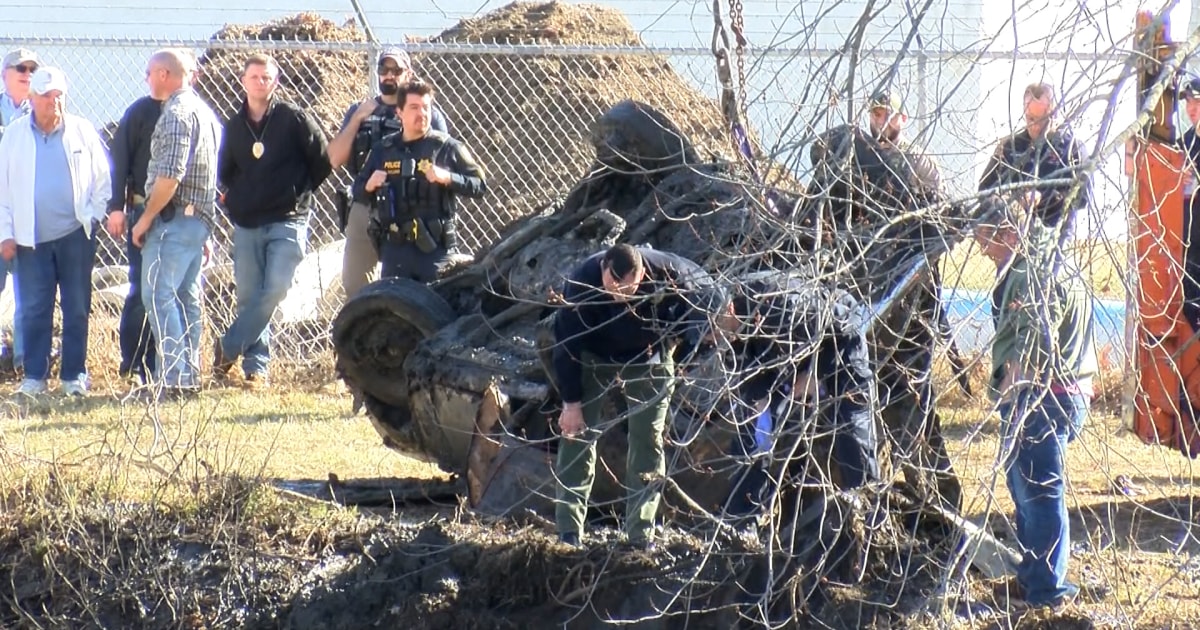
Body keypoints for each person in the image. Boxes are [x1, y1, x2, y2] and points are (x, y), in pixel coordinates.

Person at [550, 244, 720, 549]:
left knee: (648, 440)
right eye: (615, 286)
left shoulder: (671, 273)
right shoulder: (580, 284)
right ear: (604, 267)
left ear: (642, 273)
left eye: (632, 287)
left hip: (648, 356)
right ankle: (568, 532)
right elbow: (565, 347)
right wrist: (571, 403)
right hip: (593, 354)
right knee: (576, 435)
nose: (623, 296)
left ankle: (640, 534)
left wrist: (686, 356)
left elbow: (716, 301)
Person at [974, 198, 1096, 610]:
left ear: (1009, 232)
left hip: (1042, 396)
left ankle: (1046, 593)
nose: (982, 252)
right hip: (1068, 391)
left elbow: (1036, 334)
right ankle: (1033, 576)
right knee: (1025, 487)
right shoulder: (1050, 255)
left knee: (1039, 493)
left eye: (986, 242)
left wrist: (1013, 382)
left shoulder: (1031, 271)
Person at [717, 275, 880, 520]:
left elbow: (847, 321)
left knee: (852, 429)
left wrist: (815, 373)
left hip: (839, 344)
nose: (717, 338)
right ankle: (741, 519)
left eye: (718, 330)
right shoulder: (728, 323)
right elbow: (745, 363)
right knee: (754, 430)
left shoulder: (786, 307)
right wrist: (757, 398)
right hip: (785, 352)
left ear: (730, 310)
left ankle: (869, 511)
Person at [213, 54, 331, 387]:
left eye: (266, 78)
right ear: (243, 82)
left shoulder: (293, 118)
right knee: (250, 296)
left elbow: (321, 160)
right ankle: (257, 368)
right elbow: (226, 172)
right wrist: (236, 198)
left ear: (275, 82)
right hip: (248, 223)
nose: (260, 83)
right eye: (254, 77)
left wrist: (297, 193)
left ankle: (227, 347)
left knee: (276, 288)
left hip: (288, 220)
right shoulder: (234, 127)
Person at [0, 67, 111, 396]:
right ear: (32, 99)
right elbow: (3, 189)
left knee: (77, 306)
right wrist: (6, 232)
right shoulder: (15, 136)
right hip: (29, 239)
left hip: (76, 235)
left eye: (59, 96)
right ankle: (34, 377)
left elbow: (102, 179)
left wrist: (93, 216)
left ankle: (74, 376)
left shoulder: (82, 130)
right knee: (34, 307)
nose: (54, 102)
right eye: (47, 96)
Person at [127, 49, 222, 399]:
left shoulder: (176, 114)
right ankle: (188, 375)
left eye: (150, 72)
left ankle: (172, 377)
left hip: (172, 220)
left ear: (166, 74)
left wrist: (146, 218)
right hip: (195, 221)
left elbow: (170, 176)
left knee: (158, 294)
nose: (147, 79)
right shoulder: (206, 114)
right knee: (186, 297)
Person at [330, 47, 451, 298]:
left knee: (409, 288)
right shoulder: (359, 111)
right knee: (355, 287)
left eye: (396, 70)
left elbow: (444, 159)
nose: (389, 76)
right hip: (366, 204)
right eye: (383, 70)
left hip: (410, 210)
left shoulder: (427, 113)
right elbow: (334, 158)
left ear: (409, 74)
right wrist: (358, 118)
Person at [352, 80, 485, 283]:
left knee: (439, 306)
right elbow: (357, 191)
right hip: (395, 251)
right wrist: (370, 184)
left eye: (426, 107)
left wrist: (448, 178)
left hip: (436, 251)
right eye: (414, 107)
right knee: (393, 309)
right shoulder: (384, 150)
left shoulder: (447, 147)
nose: (422, 113)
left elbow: (479, 185)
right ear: (400, 113)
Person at [106, 85, 164, 386]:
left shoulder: (194, 112)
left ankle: (164, 366)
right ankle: (133, 365)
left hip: (184, 216)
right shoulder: (140, 112)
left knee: (174, 292)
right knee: (142, 289)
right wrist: (116, 207)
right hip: (142, 210)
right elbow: (120, 160)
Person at [979, 82, 1090, 232]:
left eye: (1042, 120)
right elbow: (984, 189)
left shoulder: (1072, 149)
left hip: (1054, 233)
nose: (1036, 126)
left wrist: (1043, 197)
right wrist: (1006, 202)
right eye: (1030, 119)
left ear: (1055, 114)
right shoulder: (1010, 147)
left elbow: (1083, 197)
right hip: (1013, 234)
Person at [0, 48, 39, 372]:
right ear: (4, 75)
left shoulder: (42, 114)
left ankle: (24, 360)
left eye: (31, 70)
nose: (27, 73)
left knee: (27, 291)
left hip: (27, 216)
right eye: (20, 68)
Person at [1177, 78, 1200, 327]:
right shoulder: (1184, 143)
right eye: (1188, 102)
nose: (1191, 107)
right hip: (1189, 240)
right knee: (1190, 302)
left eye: (1197, 101)